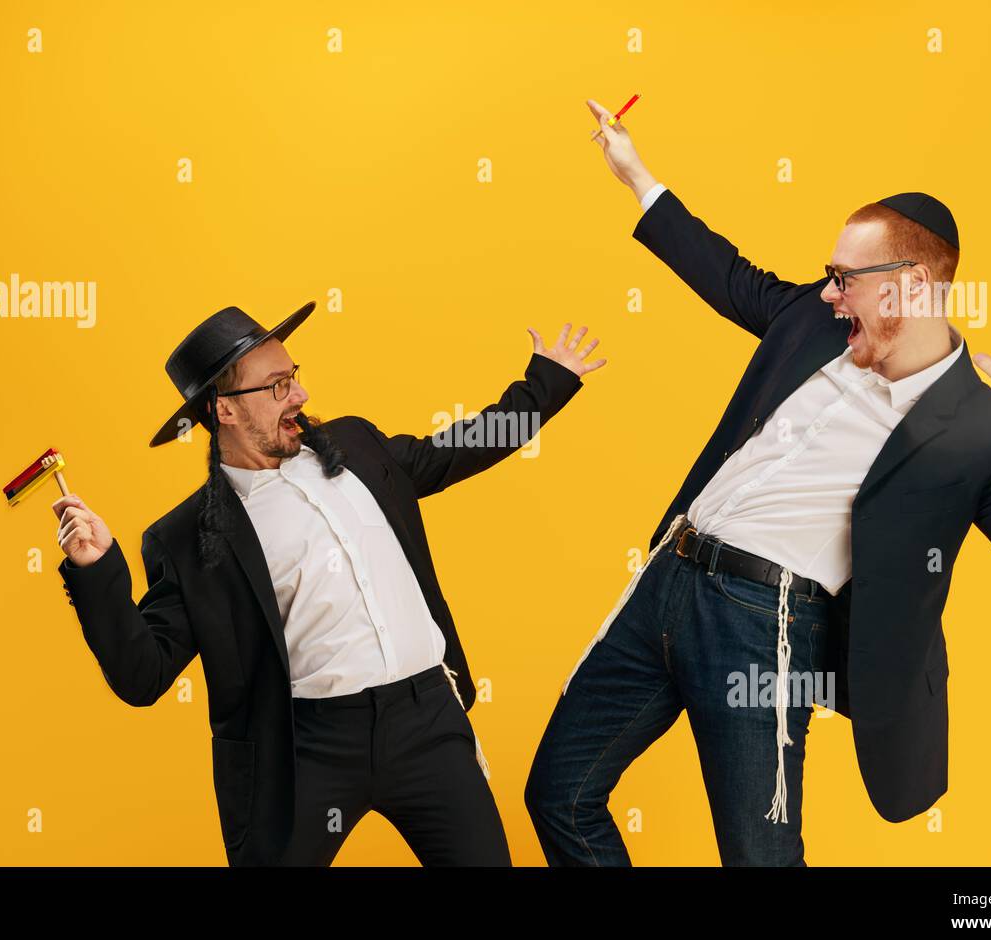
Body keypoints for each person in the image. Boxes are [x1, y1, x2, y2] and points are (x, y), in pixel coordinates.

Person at [523, 99, 991, 866]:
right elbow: (724, 272)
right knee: (559, 791)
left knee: (760, 857)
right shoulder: (815, 323)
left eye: (843, 278)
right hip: (668, 575)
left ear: (907, 286)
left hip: (764, 627)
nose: (828, 292)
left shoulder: (978, 427)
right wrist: (635, 174)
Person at [54, 301, 605, 865]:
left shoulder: (357, 449)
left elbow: (456, 449)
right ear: (223, 410)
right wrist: (96, 571)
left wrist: (547, 382)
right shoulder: (190, 536)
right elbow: (142, 675)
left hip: (426, 722)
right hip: (306, 750)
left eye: (294, 377)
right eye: (276, 386)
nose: (299, 396)